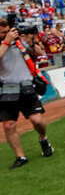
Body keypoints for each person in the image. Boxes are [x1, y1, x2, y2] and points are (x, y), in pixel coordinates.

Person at [0, 21, 53, 169]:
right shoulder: (6, 43)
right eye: (2, 32)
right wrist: (6, 42)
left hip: (26, 87)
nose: (6, 34)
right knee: (9, 125)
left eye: (7, 31)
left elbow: (40, 53)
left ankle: (43, 138)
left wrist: (31, 39)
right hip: (6, 89)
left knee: (37, 121)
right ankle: (20, 156)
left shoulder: (19, 42)